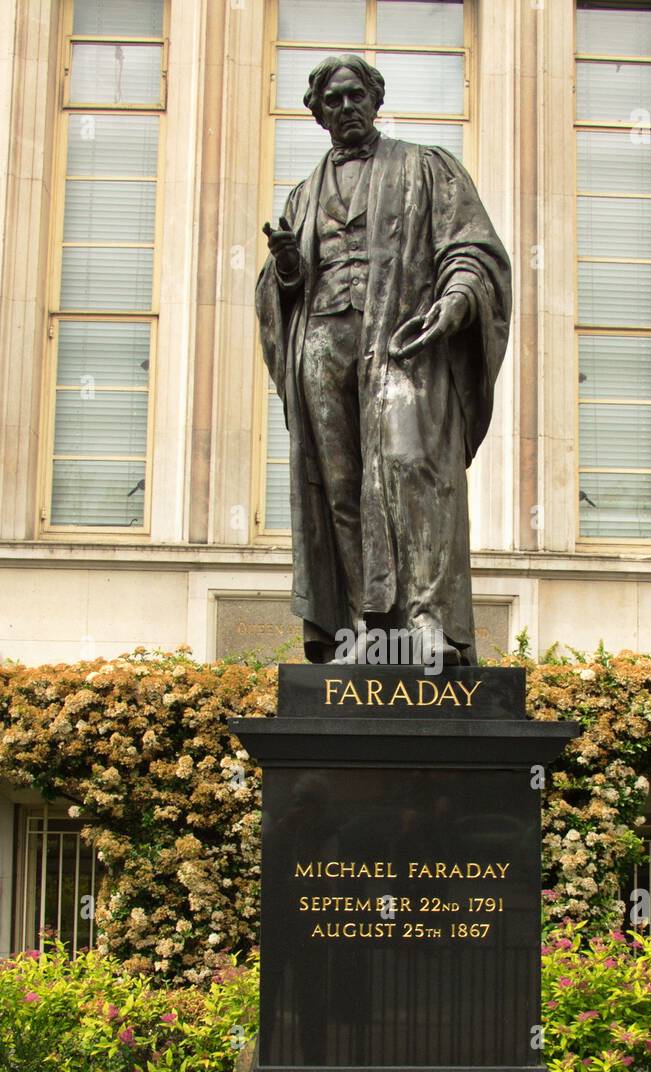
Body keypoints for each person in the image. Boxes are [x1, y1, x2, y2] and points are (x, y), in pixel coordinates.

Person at [256, 54, 511, 666]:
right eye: (332, 101)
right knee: (340, 484)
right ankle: (361, 627)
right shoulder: (302, 195)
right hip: (322, 342)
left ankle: (426, 620)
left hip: (401, 344)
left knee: (410, 467)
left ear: (374, 99)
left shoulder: (426, 169)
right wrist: (289, 267)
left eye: (355, 95)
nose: (345, 107)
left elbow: (472, 249)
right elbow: (279, 290)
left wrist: (457, 300)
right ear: (317, 115)